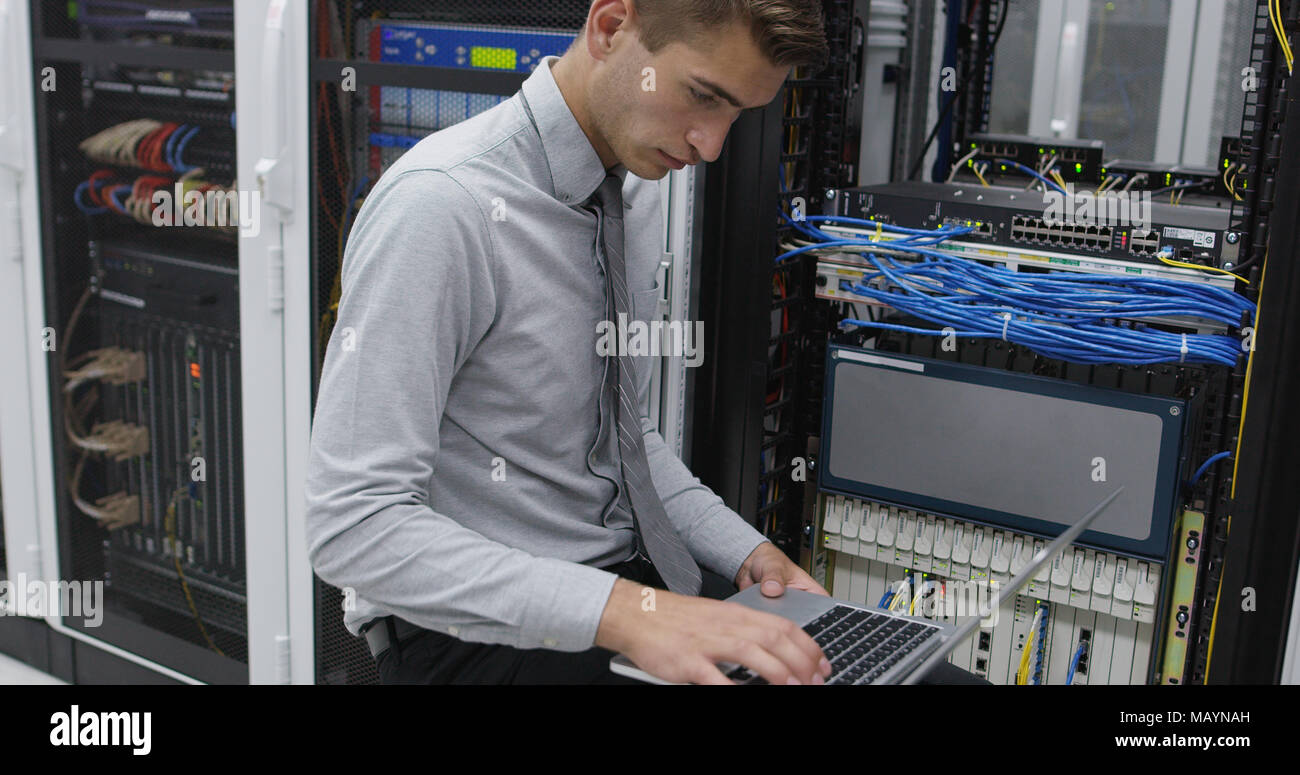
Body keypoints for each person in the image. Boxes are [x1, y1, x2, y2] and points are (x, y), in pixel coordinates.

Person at [306, 0, 981, 686]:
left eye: (736, 113)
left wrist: (744, 549)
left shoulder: (632, 192)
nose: (711, 144)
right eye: (702, 95)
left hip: (626, 592)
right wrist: (630, 612)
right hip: (474, 638)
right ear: (609, 27)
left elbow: (622, 439)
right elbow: (352, 525)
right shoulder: (442, 208)